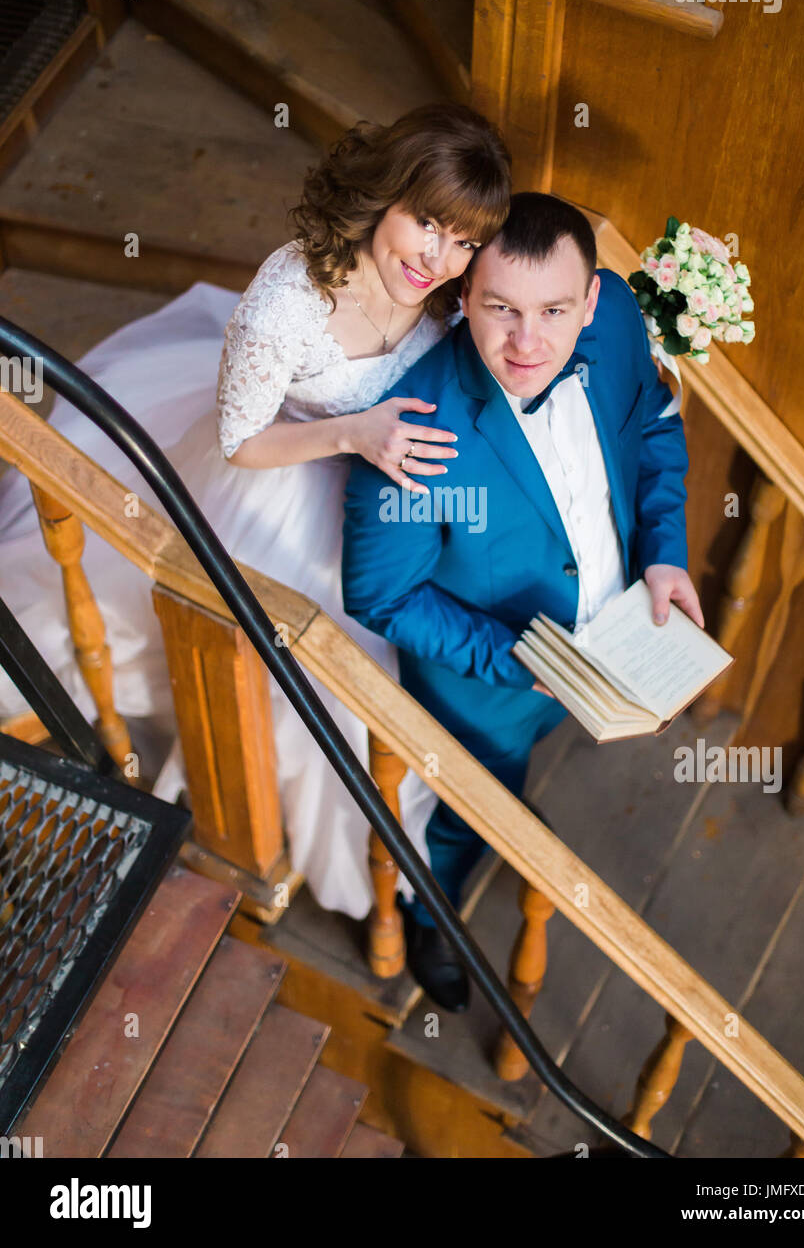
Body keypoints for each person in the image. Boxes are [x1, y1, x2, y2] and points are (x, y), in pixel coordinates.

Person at [0, 102, 512, 919]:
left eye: (464, 242)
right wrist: (352, 433)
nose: (438, 259)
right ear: (385, 194)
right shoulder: (290, 297)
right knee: (311, 670)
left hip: (380, 486)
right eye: (426, 223)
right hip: (278, 475)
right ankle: (302, 840)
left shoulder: (450, 289)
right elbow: (240, 440)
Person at [342, 192, 704, 1010]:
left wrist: (664, 553)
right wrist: (520, 660)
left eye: (553, 311)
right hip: (487, 684)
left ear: (593, 301)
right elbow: (380, 595)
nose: (527, 343)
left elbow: (653, 425)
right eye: (501, 308)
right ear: (462, 295)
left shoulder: (619, 324)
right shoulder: (412, 429)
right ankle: (431, 913)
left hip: (615, 625)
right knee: (474, 804)